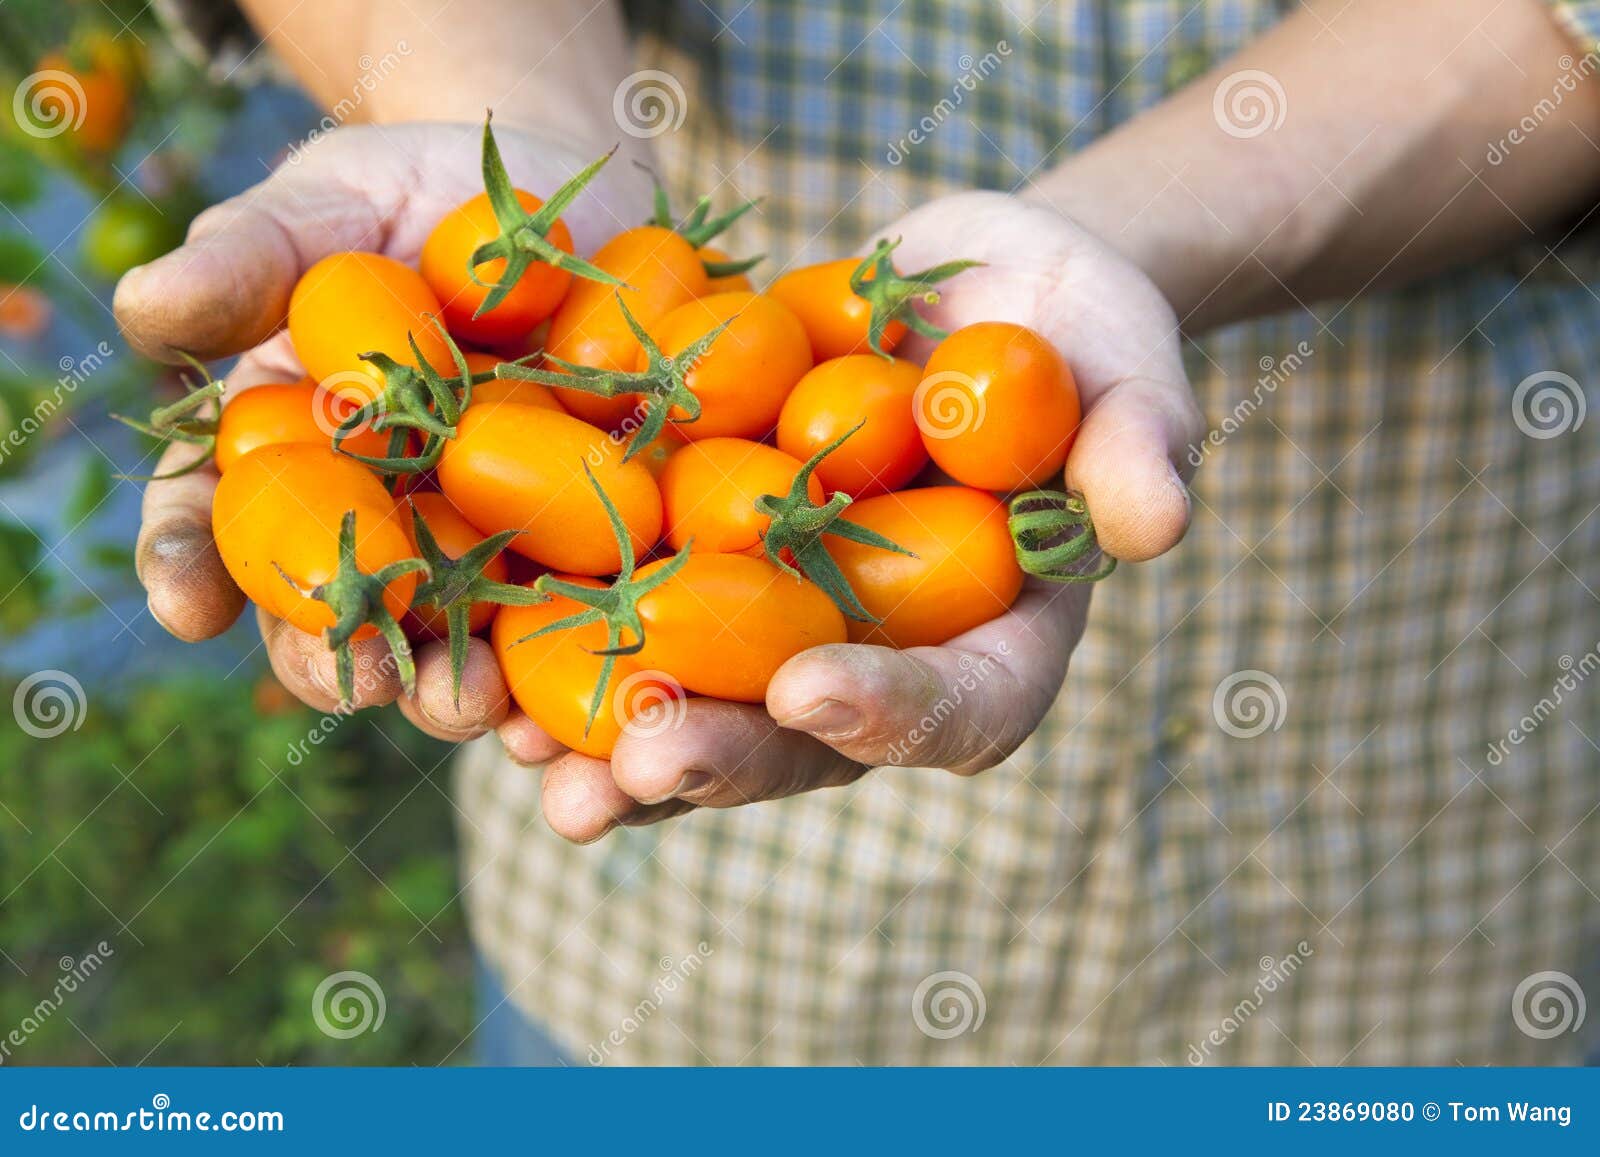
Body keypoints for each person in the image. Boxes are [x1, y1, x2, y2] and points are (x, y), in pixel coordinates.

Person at [118, 0, 1600, 1064]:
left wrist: (1122, 243)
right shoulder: (597, 459)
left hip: (1407, 862)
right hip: (704, 979)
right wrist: (516, 134)